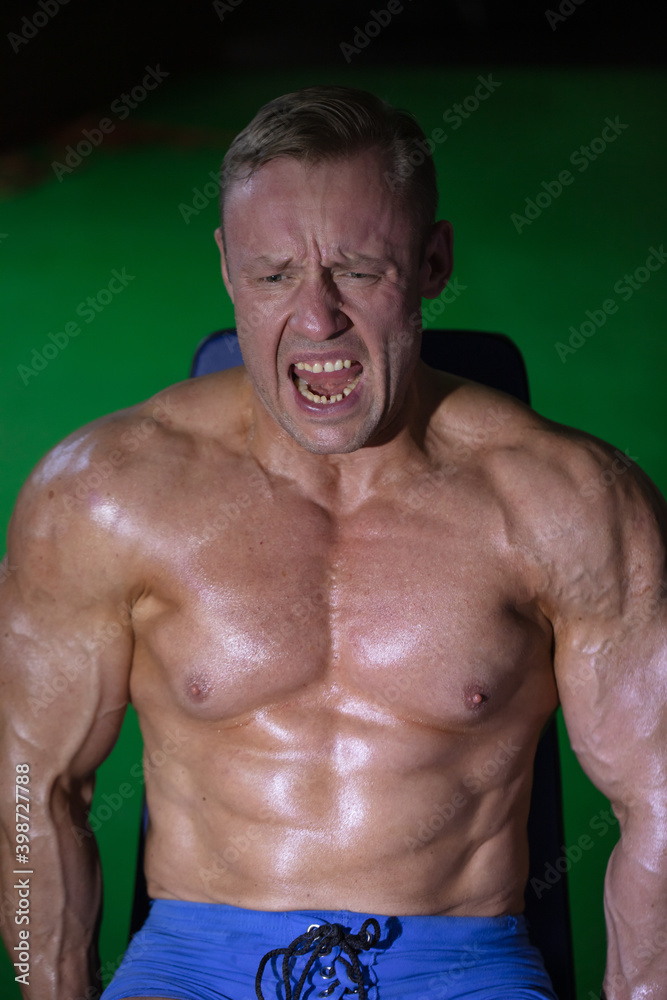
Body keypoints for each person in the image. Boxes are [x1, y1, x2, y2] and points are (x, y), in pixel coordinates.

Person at [1, 85, 666, 1000]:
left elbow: (659, 806)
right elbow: (30, 793)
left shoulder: (567, 503)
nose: (315, 322)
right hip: (191, 969)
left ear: (432, 262)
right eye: (274, 275)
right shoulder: (105, 495)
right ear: (227, 268)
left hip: (456, 970)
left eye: (356, 270)